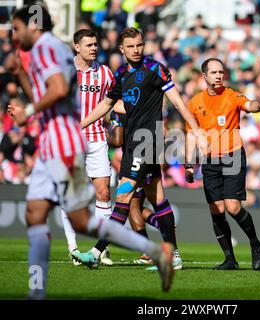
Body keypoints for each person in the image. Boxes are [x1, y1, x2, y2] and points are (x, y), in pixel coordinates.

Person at [8, 6, 174, 299]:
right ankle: (36, 292)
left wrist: (30, 110)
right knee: (36, 215)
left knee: (81, 219)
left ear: (32, 27)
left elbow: (57, 91)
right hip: (52, 143)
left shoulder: (47, 48)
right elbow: (50, 95)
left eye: (17, 27)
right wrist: (20, 74)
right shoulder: (47, 53)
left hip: (63, 145)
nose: (13, 33)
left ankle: (155, 251)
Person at [72, 27, 206, 271]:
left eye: (140, 45)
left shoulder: (155, 69)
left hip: (147, 141)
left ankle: (95, 252)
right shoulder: (121, 74)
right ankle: (173, 255)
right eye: (131, 46)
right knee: (158, 198)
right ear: (121, 49)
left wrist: (195, 128)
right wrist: (81, 124)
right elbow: (106, 104)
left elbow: (177, 100)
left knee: (123, 196)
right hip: (132, 143)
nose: (137, 50)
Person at [185, 58, 260, 270]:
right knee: (216, 209)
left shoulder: (231, 95)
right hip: (209, 161)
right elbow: (191, 134)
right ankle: (230, 259)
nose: (218, 76)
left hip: (232, 155)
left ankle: (255, 244)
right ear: (204, 76)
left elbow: (248, 104)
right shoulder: (195, 102)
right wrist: (189, 164)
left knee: (233, 207)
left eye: (221, 72)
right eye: (214, 72)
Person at [60, 29, 114, 266]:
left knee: (103, 193)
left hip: (96, 137)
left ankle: (100, 248)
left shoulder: (104, 72)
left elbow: (113, 101)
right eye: (89, 44)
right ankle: (72, 247)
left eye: (95, 44)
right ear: (76, 47)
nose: (94, 48)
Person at [108, 109, 161, 265]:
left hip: (134, 160)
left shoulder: (117, 110)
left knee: (131, 205)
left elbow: (117, 141)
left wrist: (104, 137)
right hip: (149, 153)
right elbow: (163, 131)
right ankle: (163, 223)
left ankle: (149, 250)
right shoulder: (142, 104)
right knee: (137, 204)